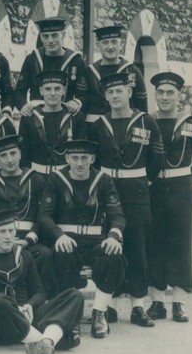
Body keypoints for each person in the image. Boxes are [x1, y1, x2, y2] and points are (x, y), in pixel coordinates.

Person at [87, 72, 164, 329]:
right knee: (109, 245)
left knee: (137, 246)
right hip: (108, 189)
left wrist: (142, 181)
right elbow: (94, 161)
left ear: (129, 92)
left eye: (119, 90)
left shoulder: (146, 122)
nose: (114, 96)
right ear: (105, 96)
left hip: (137, 190)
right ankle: (108, 305)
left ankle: (137, 306)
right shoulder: (99, 124)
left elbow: (156, 159)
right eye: (110, 92)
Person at [0, 209, 85, 354]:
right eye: (2, 231)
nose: (8, 236)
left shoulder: (24, 255)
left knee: (74, 295)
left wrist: (30, 305)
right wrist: (13, 309)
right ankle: (48, 339)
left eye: (11, 230)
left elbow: (39, 291)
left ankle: (46, 342)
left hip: (27, 317)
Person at [38, 139, 128, 338]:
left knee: (113, 254)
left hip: (95, 240)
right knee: (61, 252)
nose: (80, 163)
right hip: (67, 239)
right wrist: (59, 235)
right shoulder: (56, 179)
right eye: (75, 158)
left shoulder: (103, 180)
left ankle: (99, 313)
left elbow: (117, 215)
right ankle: (72, 315)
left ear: (92, 159)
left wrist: (114, 236)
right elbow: (44, 215)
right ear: (67, 158)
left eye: (84, 158)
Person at [147, 72, 192, 323]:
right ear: (155, 94)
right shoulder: (147, 122)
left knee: (181, 243)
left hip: (182, 189)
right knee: (154, 242)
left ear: (179, 95)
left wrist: (183, 179)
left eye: (170, 92)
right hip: (154, 188)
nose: (164, 97)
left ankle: (179, 302)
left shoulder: (190, 124)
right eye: (160, 92)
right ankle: (157, 302)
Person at [0, 134, 56, 295]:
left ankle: (42, 300)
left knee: (45, 254)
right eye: (3, 155)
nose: (9, 159)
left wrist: (27, 240)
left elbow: (42, 216)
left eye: (13, 153)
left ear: (20, 154)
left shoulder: (36, 179)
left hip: (29, 238)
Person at [15, 17, 98, 120]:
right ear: (41, 37)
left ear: (63, 35)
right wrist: (23, 107)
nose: (50, 40)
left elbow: (84, 93)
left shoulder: (75, 60)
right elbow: (19, 90)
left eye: (54, 35)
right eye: (46, 36)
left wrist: (76, 102)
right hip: (37, 116)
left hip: (65, 116)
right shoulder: (32, 59)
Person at [19, 70, 87, 175]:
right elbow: (23, 153)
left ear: (64, 90)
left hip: (66, 176)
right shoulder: (29, 117)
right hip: (36, 175)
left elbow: (81, 151)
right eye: (48, 89)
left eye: (57, 89)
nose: (53, 93)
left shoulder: (75, 116)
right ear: (41, 91)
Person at [87, 24, 148, 122]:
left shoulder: (132, 71)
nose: (110, 47)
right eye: (105, 42)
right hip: (94, 126)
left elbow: (142, 107)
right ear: (97, 45)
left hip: (125, 125)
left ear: (121, 44)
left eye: (114, 42)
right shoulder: (90, 72)